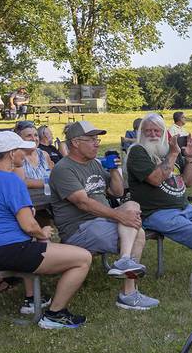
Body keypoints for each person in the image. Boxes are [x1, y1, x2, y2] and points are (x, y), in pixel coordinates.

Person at [0, 130, 92, 327]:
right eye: (21, 151)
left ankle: (32, 299)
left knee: (37, 244)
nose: (25, 155)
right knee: (83, 258)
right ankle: (55, 314)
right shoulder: (11, 180)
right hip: (5, 250)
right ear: (10, 154)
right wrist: (41, 232)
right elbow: (28, 225)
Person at [49, 120, 159, 311]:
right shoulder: (63, 169)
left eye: (97, 139)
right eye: (91, 139)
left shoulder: (94, 164)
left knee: (132, 205)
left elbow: (116, 192)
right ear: (75, 142)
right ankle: (128, 293)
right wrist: (118, 215)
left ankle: (124, 262)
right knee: (137, 232)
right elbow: (83, 203)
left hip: (102, 221)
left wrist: (114, 170)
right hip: (79, 228)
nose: (97, 143)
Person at [127, 114, 192, 252]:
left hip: (185, 207)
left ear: (164, 132)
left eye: (157, 130)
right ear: (141, 133)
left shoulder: (168, 149)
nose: (153, 134)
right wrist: (173, 154)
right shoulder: (138, 151)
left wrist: (189, 158)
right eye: (148, 130)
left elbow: (188, 182)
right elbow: (155, 179)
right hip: (156, 212)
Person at [12, 121, 51, 197]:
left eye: (36, 135)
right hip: (26, 200)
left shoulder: (44, 155)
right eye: (28, 136)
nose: (34, 139)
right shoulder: (16, 156)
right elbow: (22, 182)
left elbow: (51, 175)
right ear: (19, 139)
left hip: (47, 199)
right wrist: (47, 182)